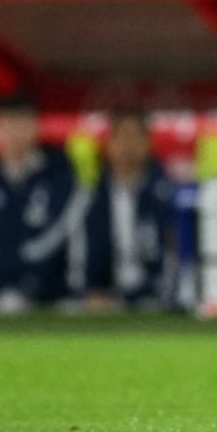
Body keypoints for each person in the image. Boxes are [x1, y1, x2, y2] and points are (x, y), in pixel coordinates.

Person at [0, 92, 86, 310]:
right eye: (7, 125)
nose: (14, 134)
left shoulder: (61, 177)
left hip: (51, 298)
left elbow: (61, 236)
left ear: (36, 127)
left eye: (21, 124)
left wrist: (27, 284)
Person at [79, 109, 173, 309]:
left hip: (155, 297)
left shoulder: (165, 193)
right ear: (109, 144)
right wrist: (93, 289)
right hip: (104, 295)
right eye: (120, 136)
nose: (127, 145)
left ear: (148, 143)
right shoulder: (92, 196)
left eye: (134, 137)